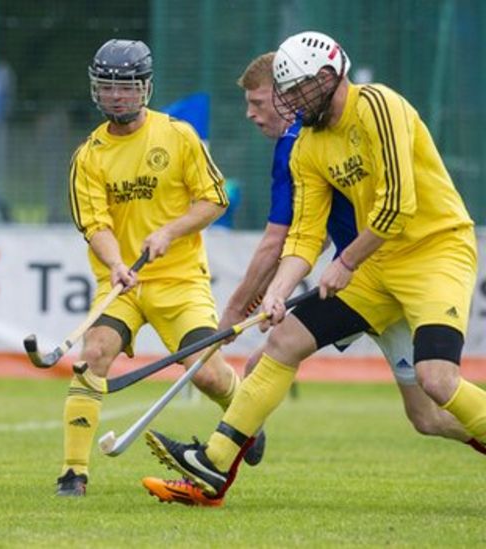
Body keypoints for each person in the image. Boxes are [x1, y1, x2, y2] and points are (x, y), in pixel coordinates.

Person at [145, 31, 486, 504]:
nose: (292, 105)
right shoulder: (307, 145)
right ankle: (213, 467)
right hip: (377, 266)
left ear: (328, 77)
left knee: (437, 382)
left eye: (298, 91)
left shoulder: (379, 107)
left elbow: (398, 205)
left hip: (435, 253)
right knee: (282, 341)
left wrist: (345, 262)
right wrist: (278, 292)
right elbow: (303, 235)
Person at [57, 38, 265, 497]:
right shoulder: (88, 157)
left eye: (126, 88)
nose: (117, 96)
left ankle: (244, 413)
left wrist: (169, 232)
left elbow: (214, 200)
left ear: (145, 88)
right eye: (108, 87)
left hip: (180, 282)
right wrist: (115, 264)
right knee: (93, 356)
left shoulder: (178, 135)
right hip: (122, 284)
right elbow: (95, 225)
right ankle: (73, 473)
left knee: (207, 373)